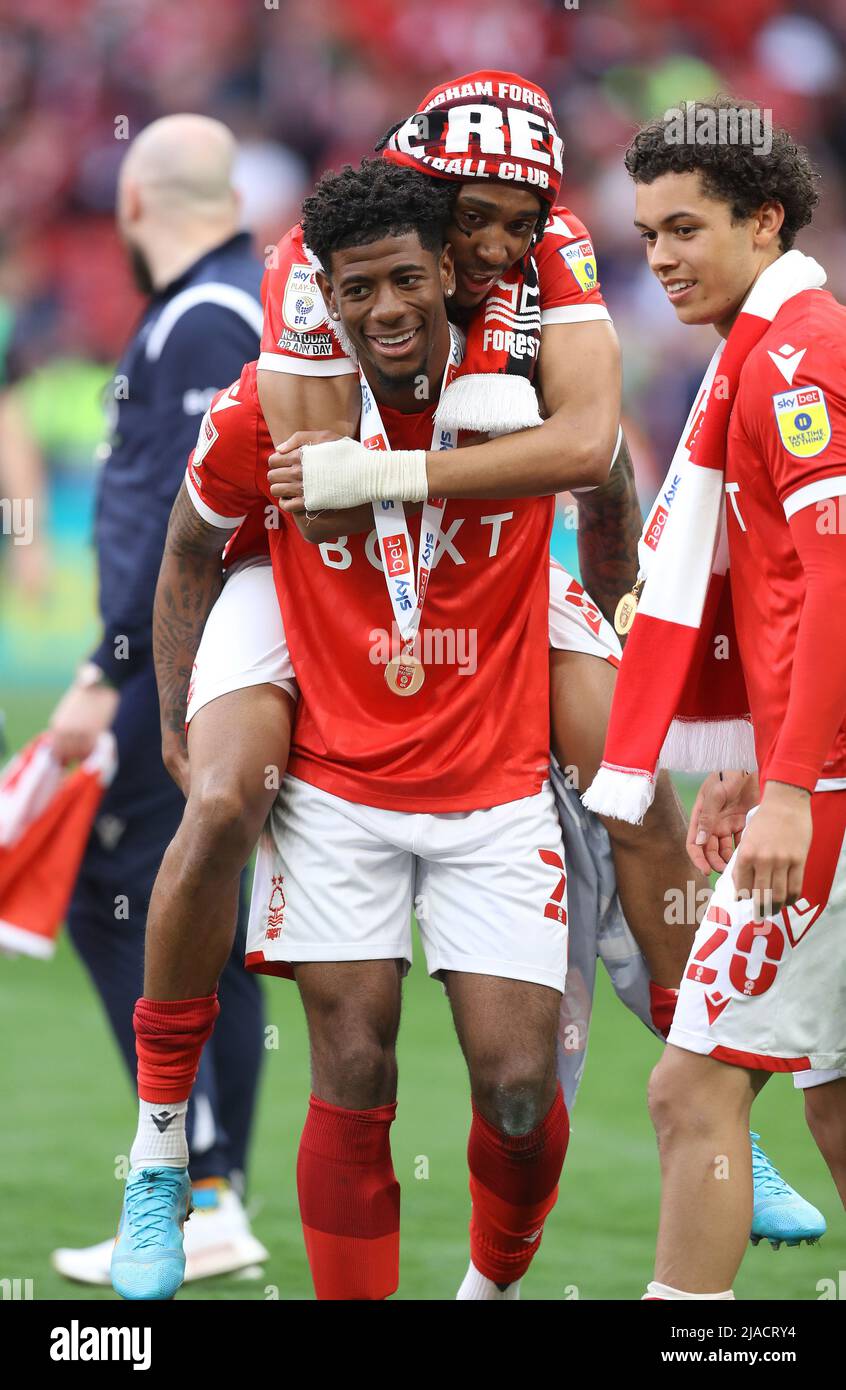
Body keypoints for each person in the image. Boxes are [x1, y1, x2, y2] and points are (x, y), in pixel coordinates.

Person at [115, 157, 579, 1302]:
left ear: (448, 278)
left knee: (520, 1091)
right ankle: (160, 1147)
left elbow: (603, 469)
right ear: (319, 291)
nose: (386, 310)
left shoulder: (515, 396)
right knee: (351, 1049)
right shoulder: (266, 410)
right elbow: (184, 549)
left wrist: (613, 597)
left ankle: (505, 1278)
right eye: (357, 288)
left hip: (484, 765)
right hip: (337, 755)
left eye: (409, 282)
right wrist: (177, 726)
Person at [584, 96, 845, 1299]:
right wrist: (748, 754)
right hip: (805, 767)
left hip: (827, 789)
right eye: (649, 236)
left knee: (692, 1087)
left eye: (688, 226)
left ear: (766, 220)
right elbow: (782, 586)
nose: (666, 257)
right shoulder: (763, 350)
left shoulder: (796, 363)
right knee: (835, 1103)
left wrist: (789, 786)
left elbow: (840, 578)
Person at [47, 115, 268, 1287]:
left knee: (125, 895)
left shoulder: (205, 317)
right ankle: (209, 1186)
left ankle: (197, 1178)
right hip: (182, 661)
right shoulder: (223, 306)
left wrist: (105, 669)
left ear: (135, 201)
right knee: (187, 918)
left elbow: (188, 530)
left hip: (169, 665)